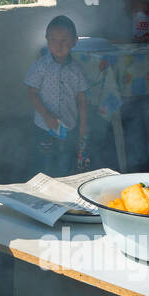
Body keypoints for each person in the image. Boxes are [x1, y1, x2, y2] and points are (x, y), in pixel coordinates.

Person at [24, 15, 89, 177]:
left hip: (69, 127)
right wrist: (46, 115)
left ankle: (61, 198)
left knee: (65, 165)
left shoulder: (76, 70)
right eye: (53, 40)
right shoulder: (41, 66)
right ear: (47, 39)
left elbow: (82, 99)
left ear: (75, 41)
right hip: (44, 128)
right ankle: (40, 199)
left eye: (64, 41)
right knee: (43, 166)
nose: (58, 46)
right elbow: (32, 93)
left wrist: (83, 125)